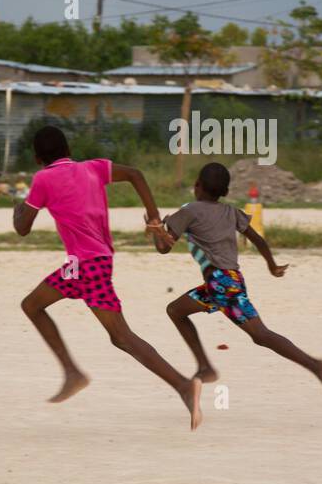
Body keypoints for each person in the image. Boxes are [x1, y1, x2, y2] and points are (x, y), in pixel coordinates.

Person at [13, 126, 203, 430]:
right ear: (68, 150)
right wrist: (154, 219)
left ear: (37, 158)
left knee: (122, 336)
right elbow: (137, 175)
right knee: (32, 305)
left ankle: (183, 385)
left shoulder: (42, 179)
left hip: (88, 265)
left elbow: (22, 228)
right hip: (83, 264)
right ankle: (73, 373)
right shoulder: (94, 168)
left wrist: (18, 208)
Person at [149, 162, 322, 399]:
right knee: (260, 335)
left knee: (176, 311)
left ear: (196, 186)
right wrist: (272, 265)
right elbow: (258, 239)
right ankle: (316, 366)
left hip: (219, 283)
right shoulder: (231, 211)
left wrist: (157, 231)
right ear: (225, 192)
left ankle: (206, 367)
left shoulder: (189, 211)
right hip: (233, 280)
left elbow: (164, 248)